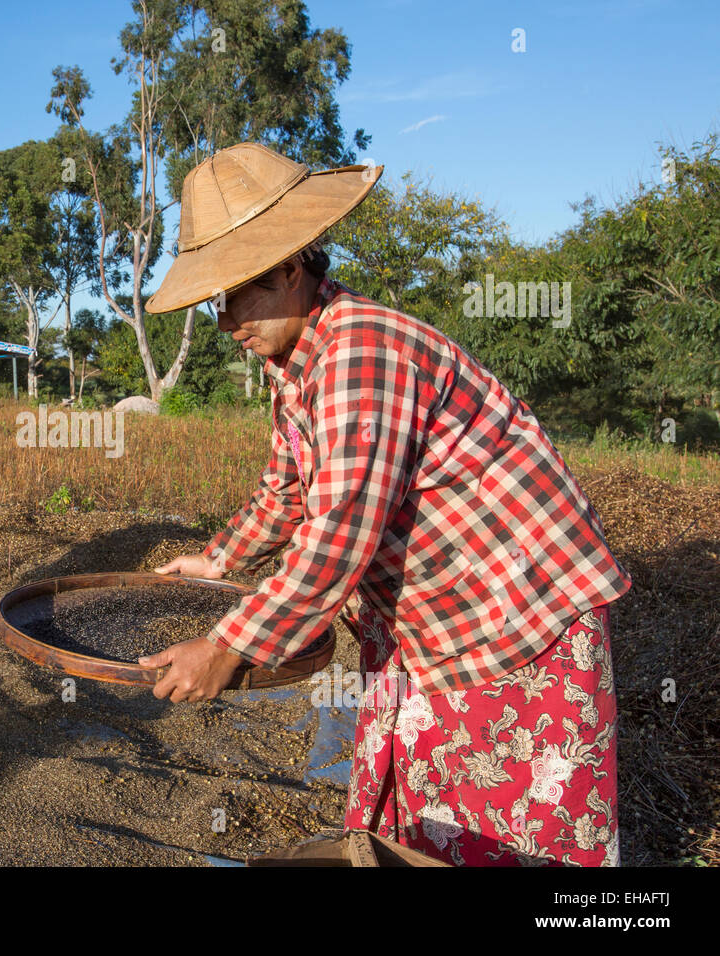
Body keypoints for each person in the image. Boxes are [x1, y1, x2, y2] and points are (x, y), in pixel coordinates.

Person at [140, 142, 630, 865]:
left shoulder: (361, 352)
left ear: (289, 266)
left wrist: (227, 647)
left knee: (518, 831)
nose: (225, 320)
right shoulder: (296, 362)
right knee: (426, 821)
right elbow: (287, 492)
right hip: (436, 616)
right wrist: (217, 558)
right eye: (218, 299)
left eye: (239, 292)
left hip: (519, 612)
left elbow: (339, 535)